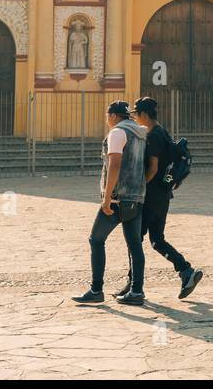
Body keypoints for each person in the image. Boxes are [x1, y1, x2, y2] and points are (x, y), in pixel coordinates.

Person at [126, 96, 203, 302]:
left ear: (143, 114)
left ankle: (133, 286)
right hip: (163, 196)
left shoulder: (153, 136)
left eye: (136, 115)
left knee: (135, 239)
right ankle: (186, 271)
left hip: (150, 196)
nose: (136, 119)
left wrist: (138, 186)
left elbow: (152, 168)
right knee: (156, 240)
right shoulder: (163, 132)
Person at [74, 102, 148, 306]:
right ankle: (137, 291)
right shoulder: (141, 134)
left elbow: (115, 163)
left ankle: (96, 289)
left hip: (117, 198)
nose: (107, 119)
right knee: (134, 244)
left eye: (107, 115)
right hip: (137, 196)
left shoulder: (117, 133)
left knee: (96, 240)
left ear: (114, 116)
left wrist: (107, 198)